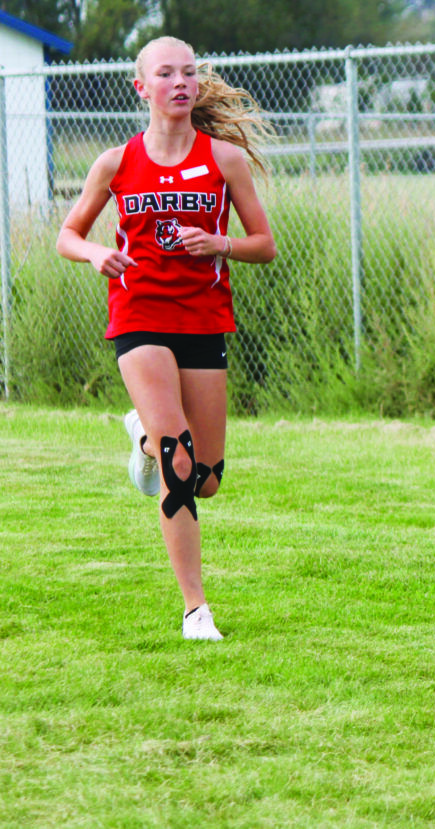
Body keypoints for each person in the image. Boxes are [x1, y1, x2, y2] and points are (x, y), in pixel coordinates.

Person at [56, 36, 277, 640]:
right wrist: (96, 253)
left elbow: (264, 244)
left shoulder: (224, 160)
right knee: (179, 463)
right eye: (165, 74)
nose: (180, 82)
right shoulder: (116, 162)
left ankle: (143, 434)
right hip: (140, 314)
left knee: (207, 477)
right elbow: (67, 235)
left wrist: (219, 243)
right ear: (142, 87)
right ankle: (195, 610)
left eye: (188, 73)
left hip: (203, 319)